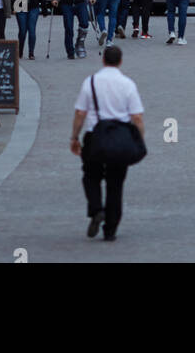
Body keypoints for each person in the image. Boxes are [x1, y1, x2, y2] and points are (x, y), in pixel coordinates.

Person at [70, 44, 145, 242]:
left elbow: (80, 113)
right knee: (116, 183)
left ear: (103, 60)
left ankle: (96, 209)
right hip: (120, 136)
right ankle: (110, 228)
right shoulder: (127, 84)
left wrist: (74, 137)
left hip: (95, 135)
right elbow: (137, 116)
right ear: (120, 61)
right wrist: (139, 140)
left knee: (90, 176)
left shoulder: (91, 82)